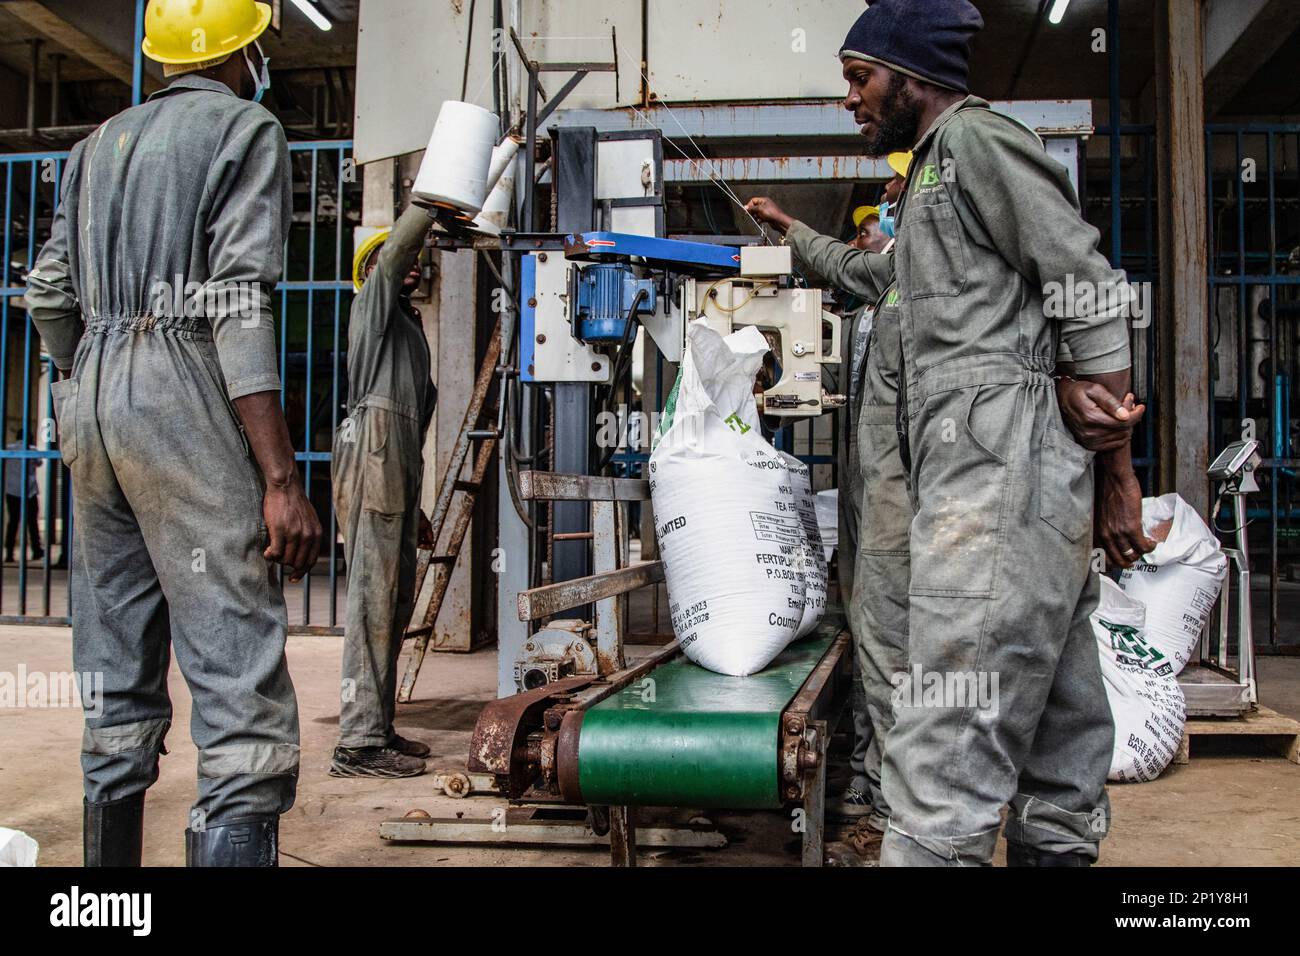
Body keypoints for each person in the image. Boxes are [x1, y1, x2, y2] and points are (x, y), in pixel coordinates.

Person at [827, 0, 1150, 867]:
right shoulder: (929, 174)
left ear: (914, 76)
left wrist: (1115, 460)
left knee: (945, 738)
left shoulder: (976, 142)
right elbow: (874, 274)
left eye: (861, 78)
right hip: (998, 486)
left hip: (996, 489)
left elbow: (1087, 283)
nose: (851, 99)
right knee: (1058, 727)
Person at [25, 0, 320, 867]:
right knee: (236, 674)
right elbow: (236, 301)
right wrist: (279, 479)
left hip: (92, 402)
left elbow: (47, 292)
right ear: (249, 48)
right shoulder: (243, 128)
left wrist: (88, 382)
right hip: (181, 387)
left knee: (111, 663)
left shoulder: (92, 150)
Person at [329, 208, 438, 778]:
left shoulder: (408, 329)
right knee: (371, 597)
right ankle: (356, 744)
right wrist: (428, 206)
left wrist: (415, 504)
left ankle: (377, 725)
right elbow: (394, 255)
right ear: (369, 274)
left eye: (421, 260)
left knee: (393, 602)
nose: (411, 265)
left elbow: (410, 433)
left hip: (392, 464)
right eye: (398, 261)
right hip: (371, 456)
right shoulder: (372, 309)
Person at [4, 435, 44, 562]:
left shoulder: (8, 448)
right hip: (29, 491)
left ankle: (9, 553)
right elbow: (39, 463)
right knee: (32, 522)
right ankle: (36, 550)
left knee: (13, 522)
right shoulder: (32, 450)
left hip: (12, 491)